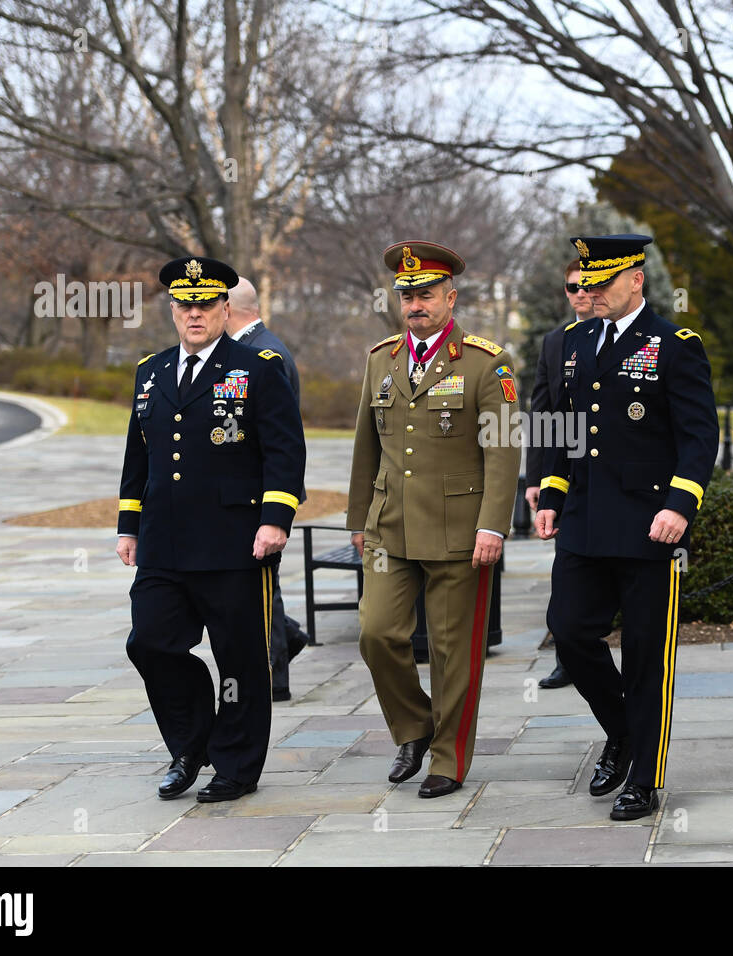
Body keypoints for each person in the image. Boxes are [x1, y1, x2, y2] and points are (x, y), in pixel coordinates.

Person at [535, 234, 719, 821]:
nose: (591, 293)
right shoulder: (576, 341)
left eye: (603, 282)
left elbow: (699, 437)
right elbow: (564, 428)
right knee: (568, 631)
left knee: (645, 655)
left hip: (649, 526)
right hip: (585, 521)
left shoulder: (674, 343)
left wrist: (680, 505)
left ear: (636, 279)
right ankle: (621, 730)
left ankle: (645, 776)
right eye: (586, 283)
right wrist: (550, 494)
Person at [116, 256, 306, 803]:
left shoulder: (259, 366)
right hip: (164, 541)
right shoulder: (150, 371)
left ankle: (237, 767)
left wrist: (275, 520)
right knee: (150, 642)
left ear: (226, 308)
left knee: (240, 658)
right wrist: (129, 525)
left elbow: (285, 452)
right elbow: (138, 457)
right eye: (184, 305)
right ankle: (191, 744)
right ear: (172, 310)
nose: (193, 314)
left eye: (204, 304)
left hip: (235, 541)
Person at [346, 240, 521, 798]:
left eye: (425, 294)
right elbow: (364, 446)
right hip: (388, 525)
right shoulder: (382, 358)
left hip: (460, 530)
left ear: (450, 297)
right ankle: (414, 728)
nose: (415, 304)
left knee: (453, 653)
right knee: (376, 632)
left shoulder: (486, 362)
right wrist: (357, 520)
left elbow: (503, 450)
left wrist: (493, 526)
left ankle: (448, 758)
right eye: (407, 295)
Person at [226, 276, 311, 702]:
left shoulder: (265, 354)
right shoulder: (253, 348)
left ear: (228, 309)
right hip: (250, 493)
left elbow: (279, 438)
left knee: (263, 586)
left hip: (263, 494)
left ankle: (275, 676)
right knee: (258, 583)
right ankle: (290, 638)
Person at [525, 260, 594, 690]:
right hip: (565, 473)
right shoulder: (555, 343)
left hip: (612, 473)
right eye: (572, 287)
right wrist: (537, 479)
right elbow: (542, 414)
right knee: (565, 569)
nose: (581, 294)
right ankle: (566, 657)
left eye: (588, 286)